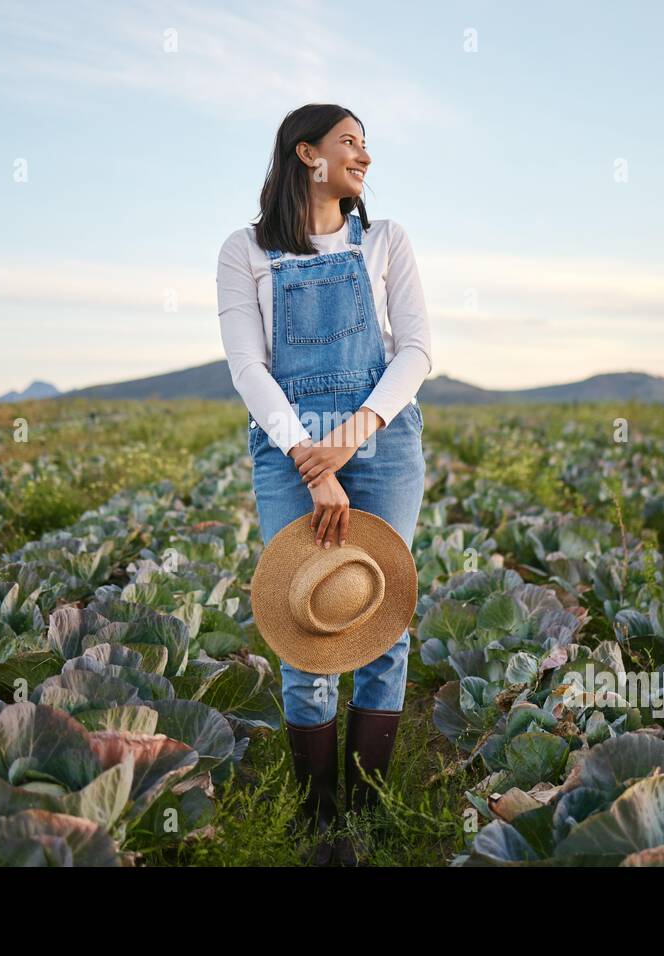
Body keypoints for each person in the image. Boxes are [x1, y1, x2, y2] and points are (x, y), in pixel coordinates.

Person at [216, 103, 432, 864]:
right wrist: (310, 457)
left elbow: (416, 354)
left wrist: (349, 437)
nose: (363, 156)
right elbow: (248, 367)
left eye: (367, 146)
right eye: (349, 143)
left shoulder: (388, 240)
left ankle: (368, 817)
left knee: (382, 626)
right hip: (288, 449)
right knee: (306, 636)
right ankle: (317, 817)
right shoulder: (244, 251)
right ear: (306, 154)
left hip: (382, 442)